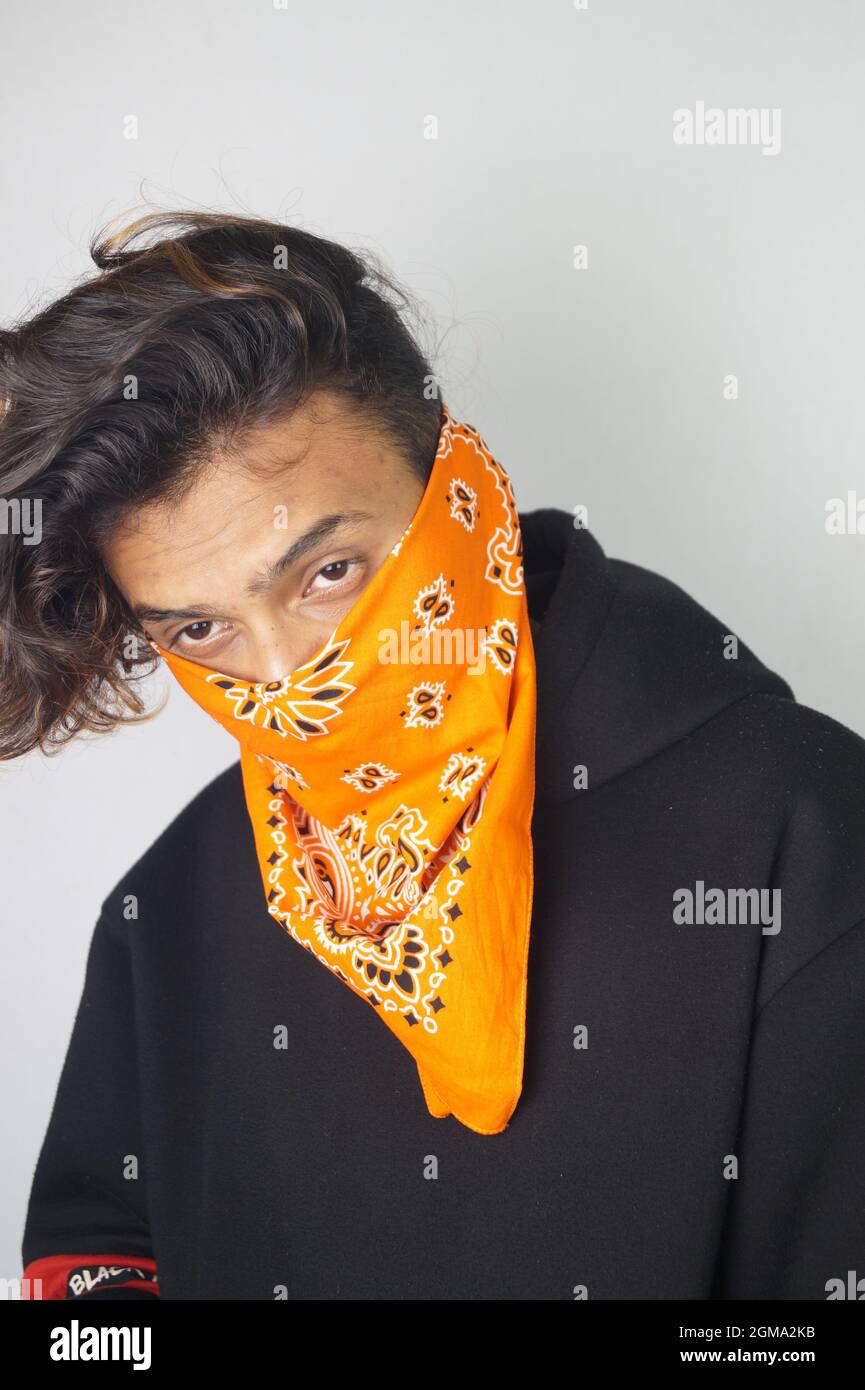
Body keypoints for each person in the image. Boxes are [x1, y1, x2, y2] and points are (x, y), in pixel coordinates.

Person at [4, 211, 863, 1302]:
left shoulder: (802, 838)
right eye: (199, 630)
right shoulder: (169, 903)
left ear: (462, 488)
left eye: (328, 573)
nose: (287, 681)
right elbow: (97, 1250)